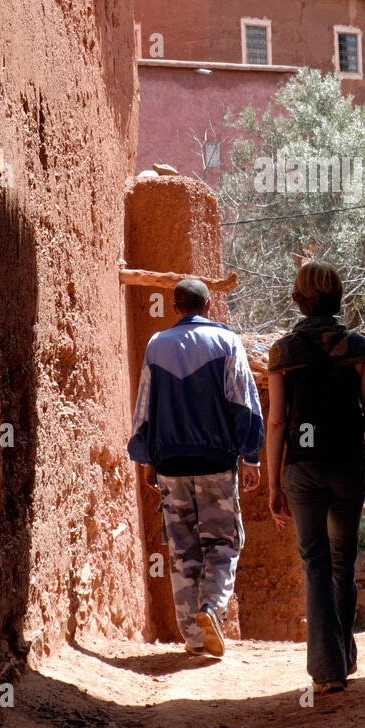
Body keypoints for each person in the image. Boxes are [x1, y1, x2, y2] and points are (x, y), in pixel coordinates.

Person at [266, 261, 365, 693]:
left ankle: (328, 669)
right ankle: (343, 656)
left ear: (299, 300)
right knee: (342, 561)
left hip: (301, 469)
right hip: (347, 467)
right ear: (338, 296)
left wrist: (272, 483)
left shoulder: (283, 353)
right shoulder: (358, 348)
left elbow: (278, 423)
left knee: (315, 563)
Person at [128, 277, 264, 658]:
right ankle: (211, 609)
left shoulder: (157, 345)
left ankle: (193, 638)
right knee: (222, 543)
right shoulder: (226, 342)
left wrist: (147, 459)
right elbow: (244, 404)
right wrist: (249, 454)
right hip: (215, 464)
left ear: (175, 309)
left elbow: (145, 409)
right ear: (209, 307)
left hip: (170, 466)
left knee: (183, 549)